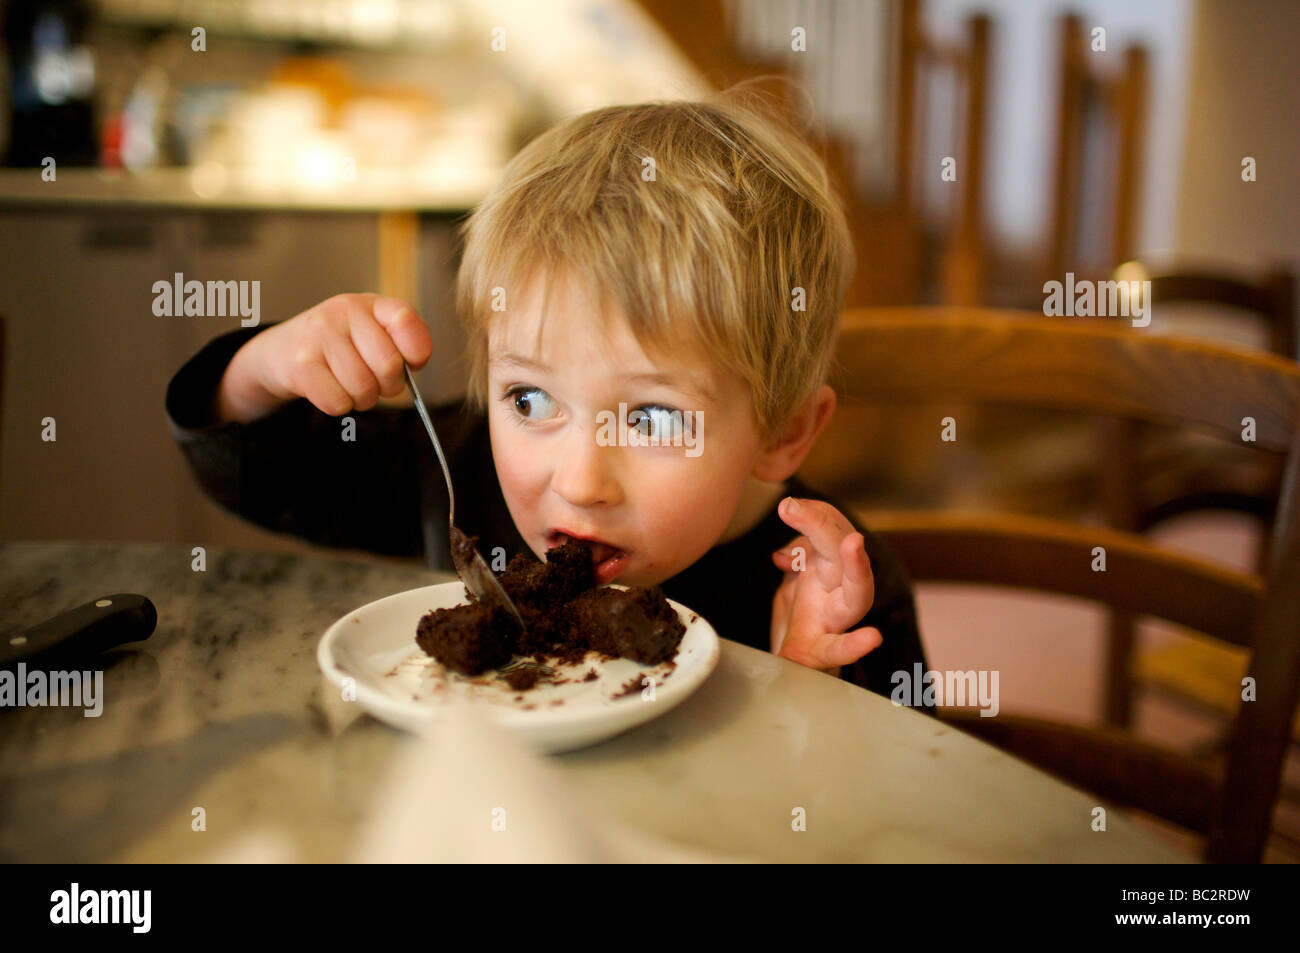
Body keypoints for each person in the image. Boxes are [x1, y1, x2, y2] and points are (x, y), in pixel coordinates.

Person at [165, 89, 932, 710]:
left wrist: (807, 687)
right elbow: (261, 477)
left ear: (784, 430)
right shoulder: (463, 468)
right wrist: (262, 369)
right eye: (530, 398)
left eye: (653, 416)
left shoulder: (832, 587)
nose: (577, 480)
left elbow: (900, 811)